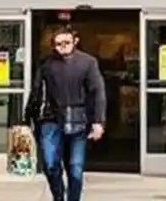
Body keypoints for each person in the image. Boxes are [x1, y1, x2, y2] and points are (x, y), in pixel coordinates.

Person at [24, 26, 106, 201]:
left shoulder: (88, 63)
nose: (63, 47)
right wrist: (27, 118)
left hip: (78, 118)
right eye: (58, 44)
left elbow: (97, 92)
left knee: (75, 168)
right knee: (50, 164)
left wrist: (98, 121)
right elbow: (36, 91)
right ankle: (59, 196)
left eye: (66, 43)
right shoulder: (46, 63)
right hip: (50, 119)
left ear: (75, 41)